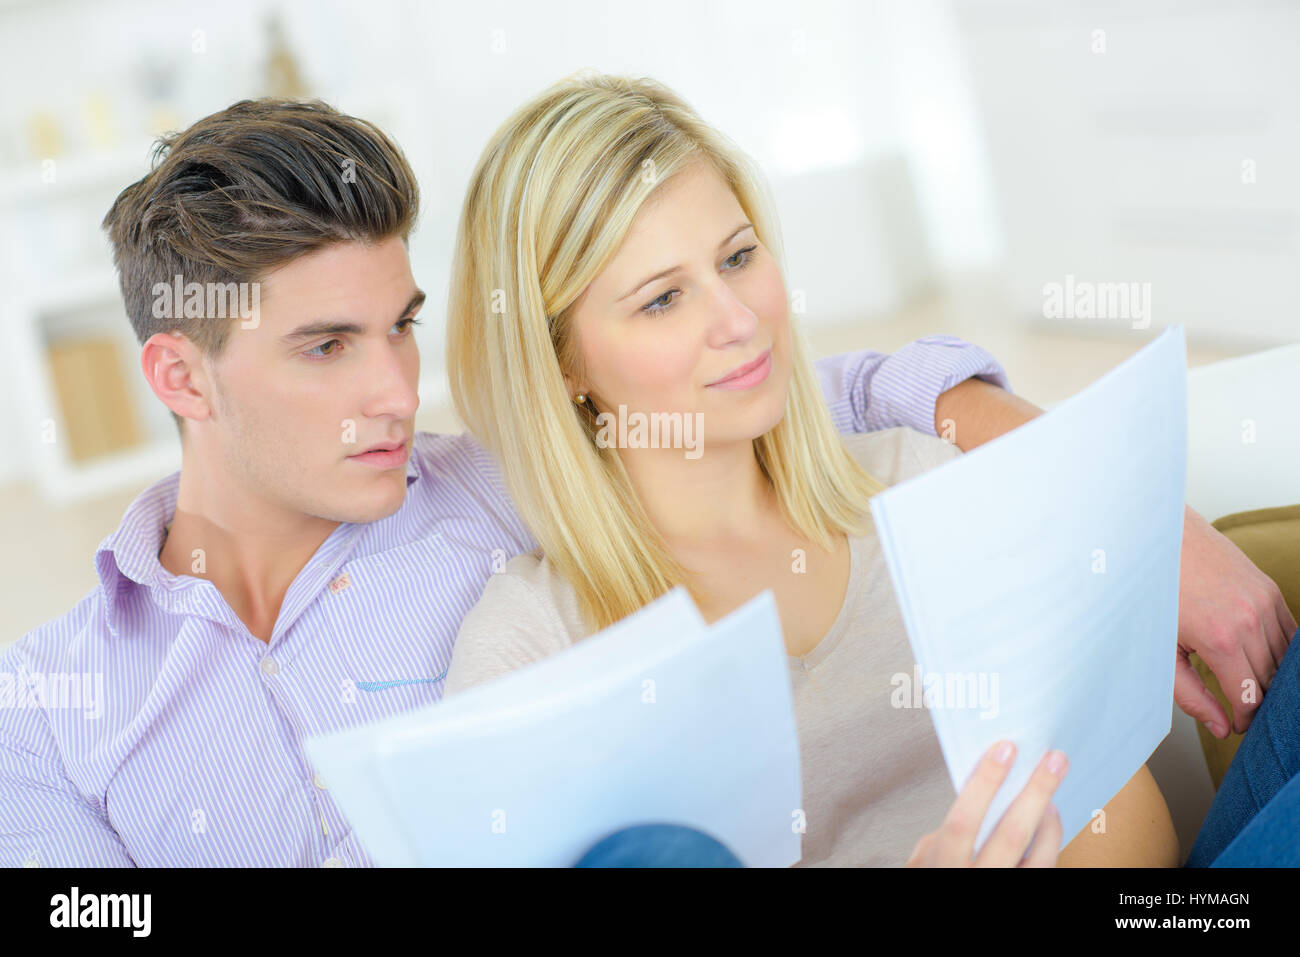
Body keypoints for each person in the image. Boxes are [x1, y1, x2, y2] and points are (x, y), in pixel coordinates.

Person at [0, 98, 1024, 867]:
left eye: (398, 326)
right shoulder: (43, 709)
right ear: (180, 376)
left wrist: (1004, 425)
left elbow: (759, 388)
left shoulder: (485, 492)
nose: (397, 390)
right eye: (325, 347)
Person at [443, 73, 1179, 866]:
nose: (738, 319)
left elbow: (1118, 799)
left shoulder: (925, 485)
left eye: (738, 257)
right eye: (663, 299)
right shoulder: (534, 644)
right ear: (561, 366)